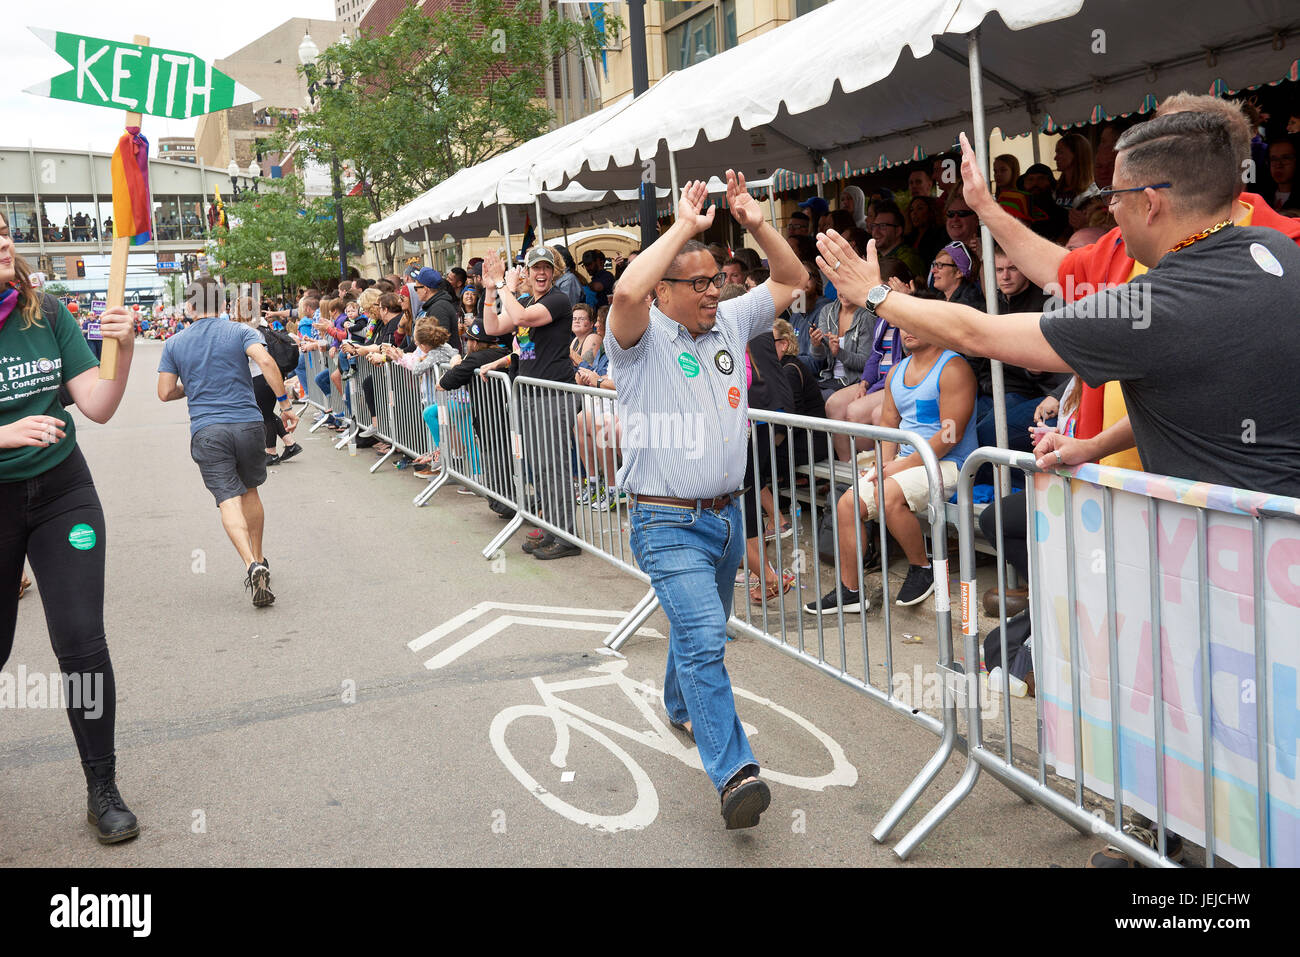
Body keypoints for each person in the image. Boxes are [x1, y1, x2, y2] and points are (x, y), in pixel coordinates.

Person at [818, 108, 1300, 498]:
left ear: (1150, 203)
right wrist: (1093, 445)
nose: (1109, 208)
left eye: (1115, 194)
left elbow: (976, 333)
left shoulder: (1150, 306)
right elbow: (1188, 402)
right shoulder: (1276, 253)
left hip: (1233, 555)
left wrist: (875, 295)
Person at [605, 171, 807, 829]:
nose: (713, 290)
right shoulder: (637, 338)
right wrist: (683, 228)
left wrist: (753, 220)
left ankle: (679, 702)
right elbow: (629, 287)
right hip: (666, 521)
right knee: (702, 636)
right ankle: (735, 774)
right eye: (698, 282)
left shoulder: (727, 320)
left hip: (727, 516)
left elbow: (791, 278)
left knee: (696, 636)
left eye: (717, 278)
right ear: (666, 290)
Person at [958, 93, 1300, 477]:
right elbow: (1063, 275)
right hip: (1115, 483)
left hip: (1223, 505)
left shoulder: (1284, 245)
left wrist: (881, 298)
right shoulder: (1128, 238)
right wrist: (985, 207)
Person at [0, 217, 141, 844]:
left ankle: (102, 788)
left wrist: (125, 348)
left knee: (82, 642)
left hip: (63, 494)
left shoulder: (46, 312)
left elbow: (99, 405)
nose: (4, 242)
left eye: (4, 231)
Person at [804, 298, 977, 615]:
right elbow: (888, 427)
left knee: (887, 494)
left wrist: (895, 468)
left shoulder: (954, 367)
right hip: (910, 463)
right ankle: (850, 590)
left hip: (950, 464)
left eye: (916, 322)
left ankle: (922, 568)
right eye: (903, 323)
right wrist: (885, 464)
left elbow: (951, 436)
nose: (906, 330)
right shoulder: (897, 371)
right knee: (846, 503)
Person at [157, 277, 298, 606]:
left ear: (190, 307)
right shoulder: (240, 331)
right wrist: (285, 406)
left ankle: (249, 564)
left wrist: (190, 386)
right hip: (248, 424)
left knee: (228, 499)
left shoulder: (175, 343)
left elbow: (165, 392)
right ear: (221, 305)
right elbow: (265, 361)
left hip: (208, 430)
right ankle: (261, 558)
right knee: (250, 491)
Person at [482, 245, 582, 560]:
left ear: (554, 271)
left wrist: (502, 284)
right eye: (535, 268)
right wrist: (489, 291)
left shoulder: (558, 300)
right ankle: (550, 526)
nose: (541, 273)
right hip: (529, 392)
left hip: (554, 392)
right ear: (527, 271)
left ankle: (565, 536)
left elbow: (523, 317)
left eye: (546, 268)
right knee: (538, 465)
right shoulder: (524, 299)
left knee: (555, 464)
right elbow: (492, 328)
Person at [412, 267, 461, 352]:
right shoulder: (436, 305)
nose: (416, 292)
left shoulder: (439, 308)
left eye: (416, 288)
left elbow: (439, 342)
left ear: (425, 289)